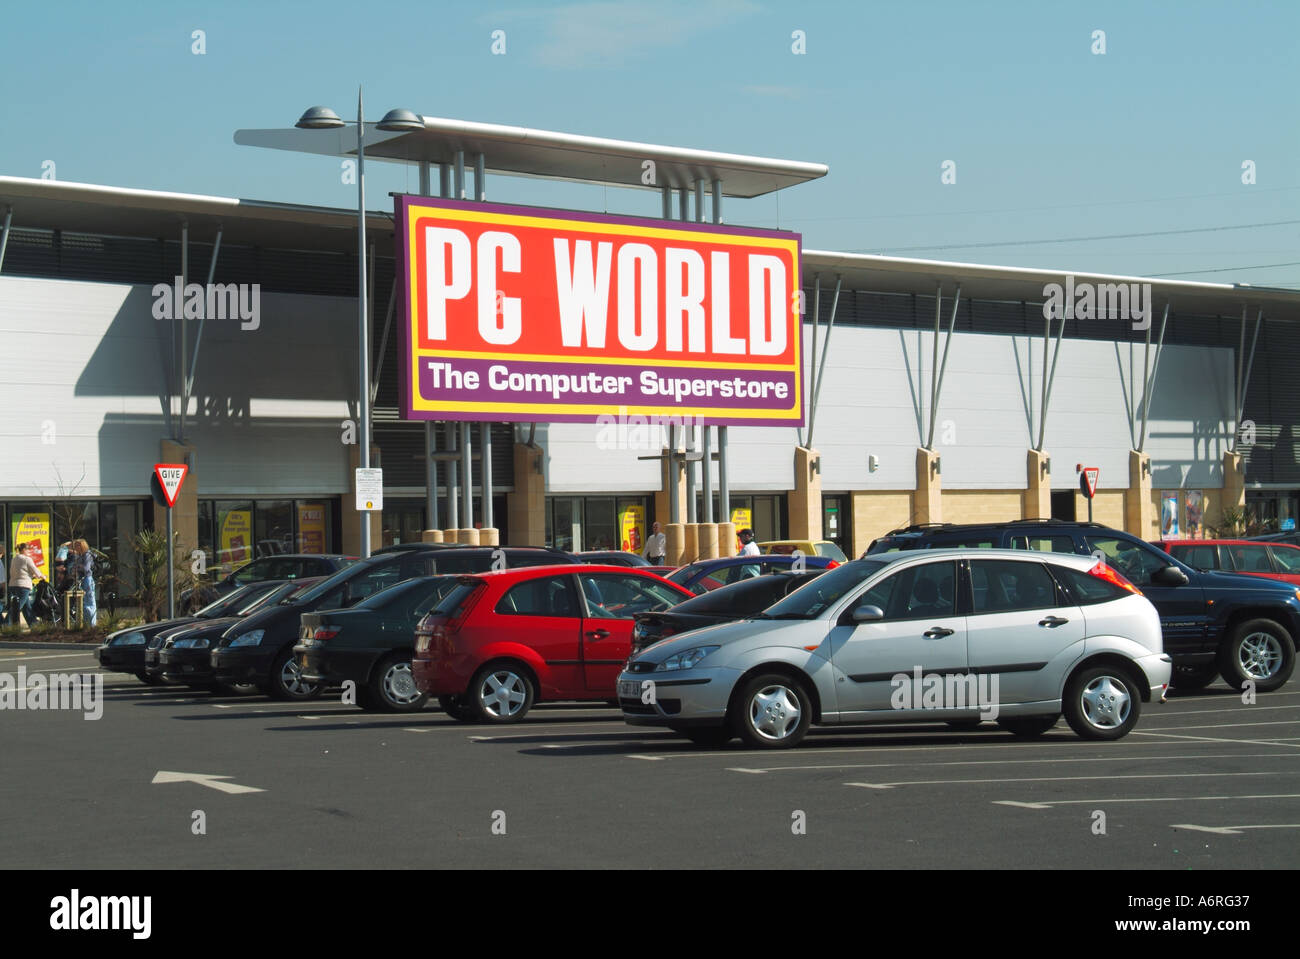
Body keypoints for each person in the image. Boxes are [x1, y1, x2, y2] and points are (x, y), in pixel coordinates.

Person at [8, 542, 41, 627]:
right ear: (24, 550)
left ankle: (34, 624)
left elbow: (19, 571)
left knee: (26, 607)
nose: (29, 552)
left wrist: (30, 575)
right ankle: (5, 624)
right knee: (16, 608)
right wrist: (42, 576)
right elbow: (35, 569)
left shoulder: (14, 559)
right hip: (23, 586)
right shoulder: (27, 559)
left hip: (13, 585)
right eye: (28, 550)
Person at [68, 539, 97, 626]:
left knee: (89, 600)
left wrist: (77, 566)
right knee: (83, 602)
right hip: (81, 580)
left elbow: (86, 568)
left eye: (77, 546)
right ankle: (85, 622)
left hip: (87, 579)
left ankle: (91, 624)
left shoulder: (87, 555)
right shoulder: (79, 556)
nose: (75, 548)